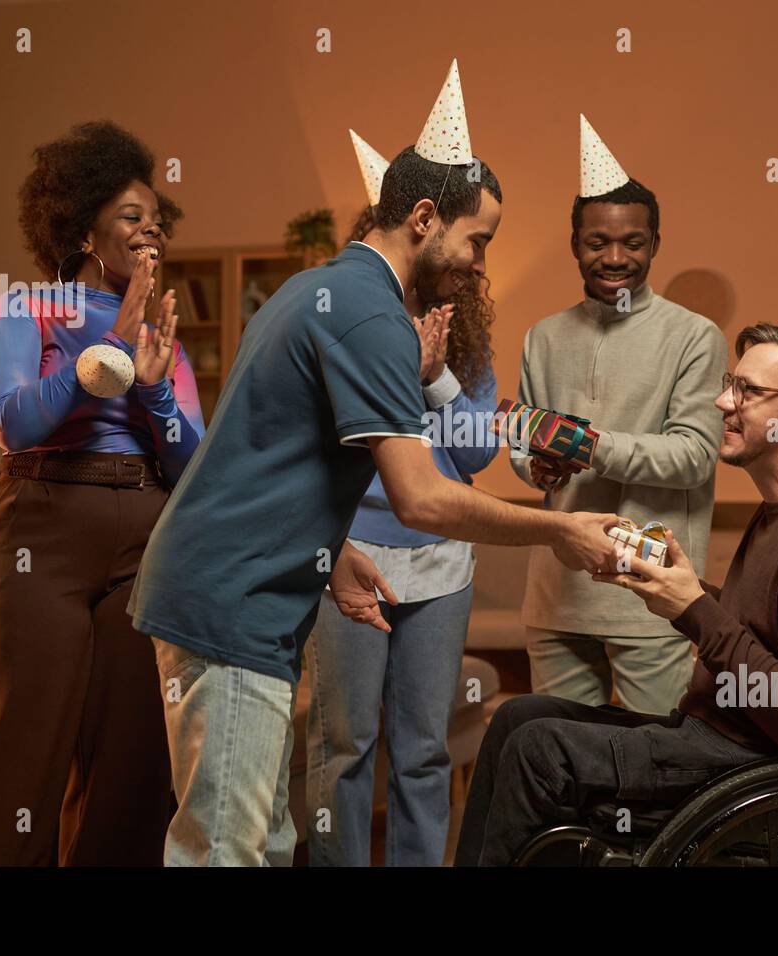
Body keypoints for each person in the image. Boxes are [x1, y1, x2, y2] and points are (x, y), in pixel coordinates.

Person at [126, 61, 619, 866]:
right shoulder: (370, 315)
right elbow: (422, 497)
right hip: (231, 606)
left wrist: (335, 554)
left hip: (243, 595)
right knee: (224, 851)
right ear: (425, 216)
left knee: (264, 842)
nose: (479, 261)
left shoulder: (324, 291)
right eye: (477, 239)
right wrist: (556, 532)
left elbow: (269, 459)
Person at [455, 249, 778, 866]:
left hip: (769, 776)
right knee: (519, 719)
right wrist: (676, 588)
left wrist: (695, 609)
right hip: (721, 743)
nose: (723, 402)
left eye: (747, 390)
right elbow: (764, 640)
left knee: (541, 750)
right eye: (730, 384)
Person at [0, 121, 204, 866]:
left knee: (134, 765)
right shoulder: (28, 309)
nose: (150, 230)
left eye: (156, 219)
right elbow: (14, 425)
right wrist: (109, 344)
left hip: (144, 536)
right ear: (85, 230)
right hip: (37, 530)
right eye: (130, 217)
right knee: (19, 751)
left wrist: (156, 393)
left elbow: (190, 463)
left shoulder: (164, 333)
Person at [304, 130, 500, 867]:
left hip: (443, 563)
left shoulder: (466, 331)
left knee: (423, 749)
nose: (472, 261)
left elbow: (478, 451)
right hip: (353, 555)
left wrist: (434, 376)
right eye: (473, 239)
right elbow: (323, 440)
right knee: (343, 744)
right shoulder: (345, 314)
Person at [513, 116, 728, 714]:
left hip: (650, 589)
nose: (615, 258)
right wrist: (538, 466)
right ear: (574, 243)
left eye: (632, 242)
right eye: (596, 242)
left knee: (650, 767)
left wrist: (584, 443)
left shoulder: (696, 337)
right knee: (559, 769)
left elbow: (693, 457)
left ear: (655, 243)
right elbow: (521, 444)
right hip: (556, 593)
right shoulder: (542, 337)